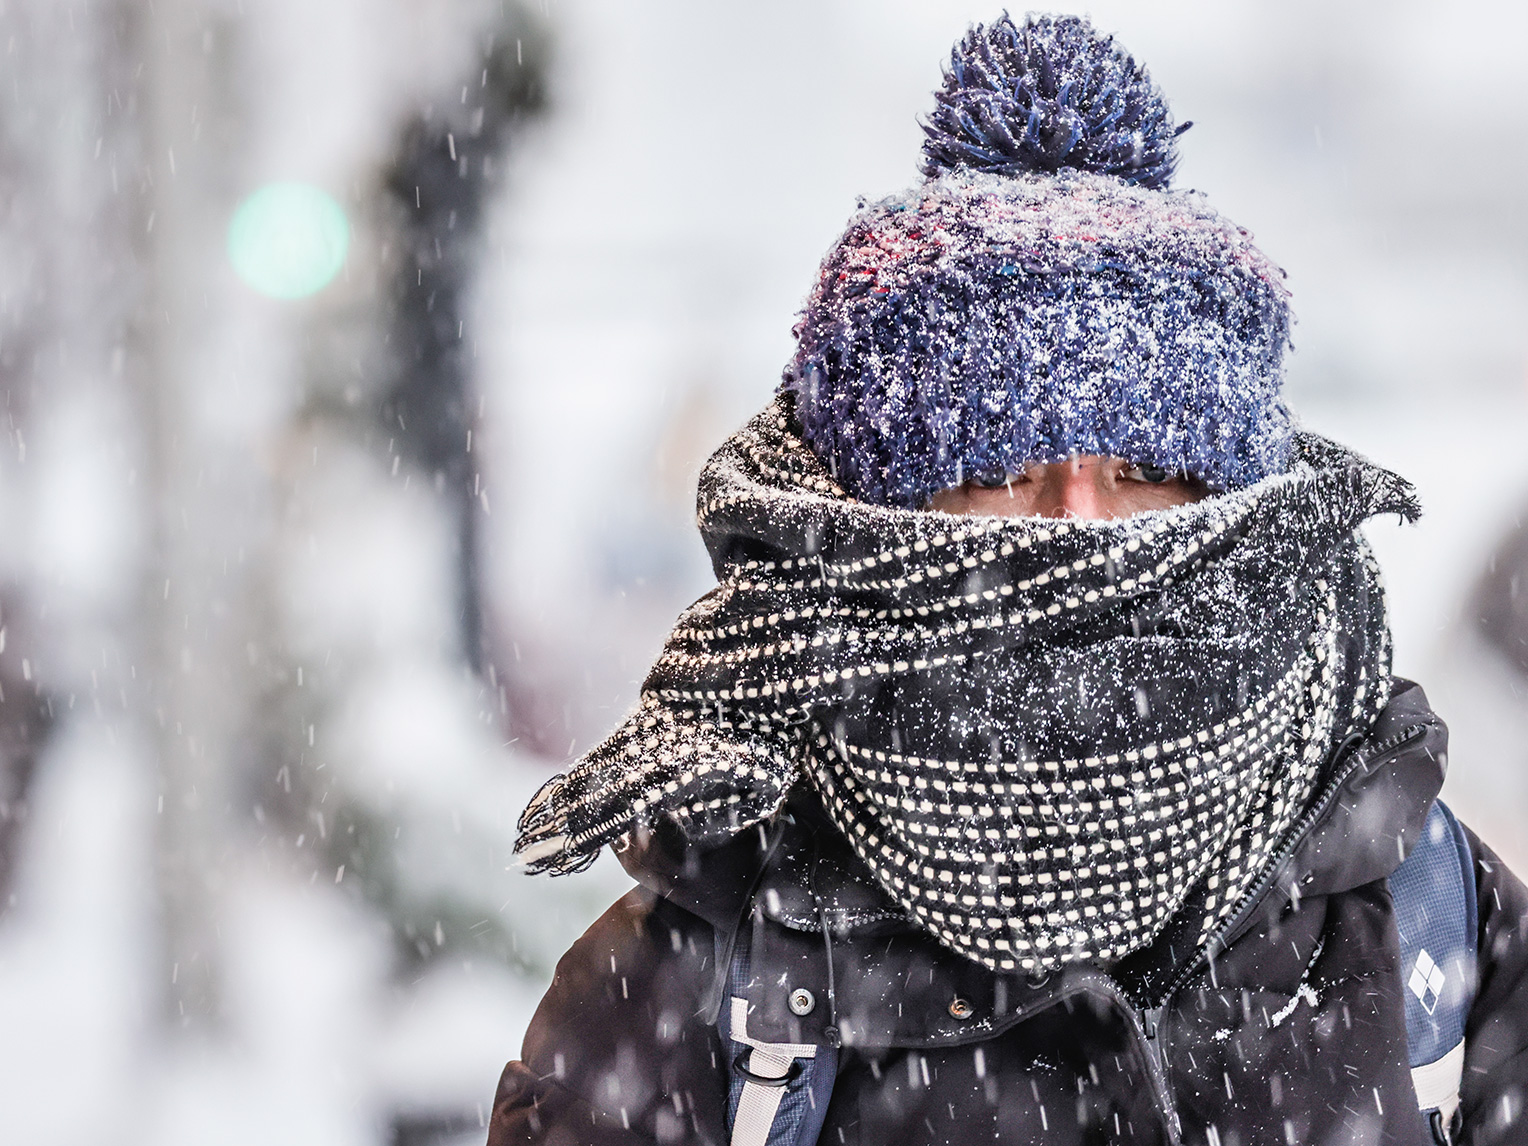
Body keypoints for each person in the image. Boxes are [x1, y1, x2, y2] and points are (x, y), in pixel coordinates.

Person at [488, 15, 1528, 1146]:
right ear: (879, 520)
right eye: (1001, 473)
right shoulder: (695, 994)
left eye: (1140, 473)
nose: (1079, 526)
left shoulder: (1430, 924)